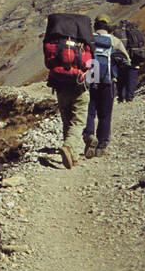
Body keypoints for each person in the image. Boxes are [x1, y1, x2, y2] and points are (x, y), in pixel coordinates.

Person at [43, 13, 94, 169]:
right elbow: (88, 64)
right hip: (79, 86)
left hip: (60, 86)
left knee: (66, 120)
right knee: (78, 122)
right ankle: (69, 147)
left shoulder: (53, 43)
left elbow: (48, 63)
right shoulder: (83, 45)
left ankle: (73, 155)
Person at [82, 15, 131, 158]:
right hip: (108, 81)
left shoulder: (88, 38)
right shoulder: (114, 40)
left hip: (91, 79)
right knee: (105, 114)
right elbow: (126, 60)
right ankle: (102, 145)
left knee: (89, 111)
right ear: (108, 26)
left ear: (95, 25)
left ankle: (89, 135)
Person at [113, 18, 145, 102]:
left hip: (122, 58)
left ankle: (121, 97)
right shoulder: (135, 31)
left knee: (121, 78)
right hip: (135, 56)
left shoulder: (118, 32)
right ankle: (130, 97)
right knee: (132, 77)